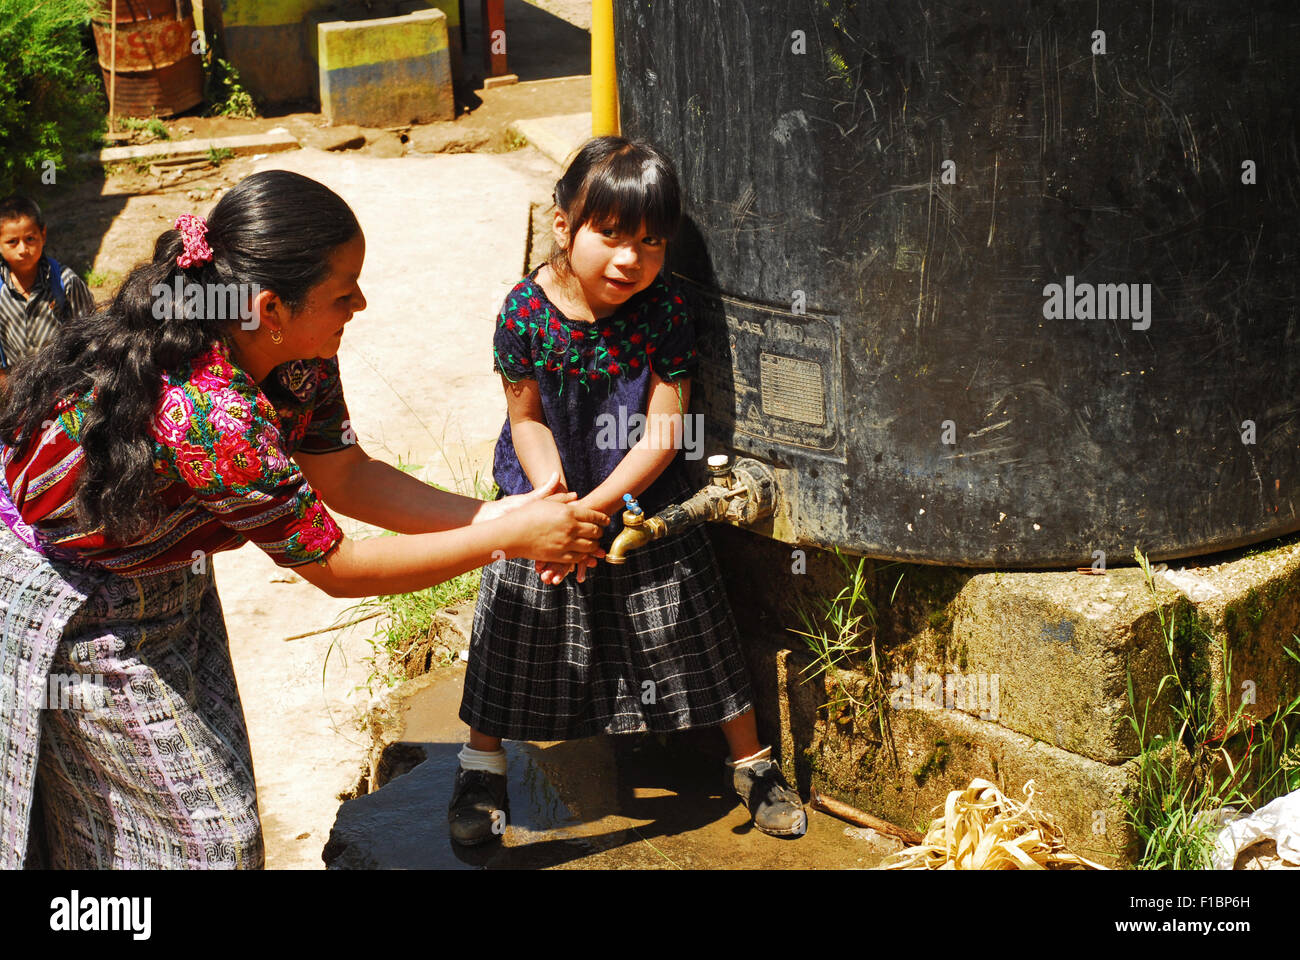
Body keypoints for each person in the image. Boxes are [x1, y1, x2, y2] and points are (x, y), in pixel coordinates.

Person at [0, 169, 608, 869]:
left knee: (142, 830)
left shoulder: (295, 357)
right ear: (270, 306)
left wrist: (503, 514)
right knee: (203, 840)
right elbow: (335, 568)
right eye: (343, 291)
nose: (362, 301)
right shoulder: (208, 411)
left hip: (166, 579)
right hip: (75, 607)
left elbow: (346, 475)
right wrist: (506, 538)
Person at [452, 136, 806, 845]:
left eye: (649, 241)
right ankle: (479, 766)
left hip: (640, 496)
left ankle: (753, 765)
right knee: (516, 622)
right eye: (608, 234)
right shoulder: (522, 313)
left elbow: (663, 431)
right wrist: (552, 499)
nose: (629, 258)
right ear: (563, 227)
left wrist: (598, 507)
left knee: (691, 620)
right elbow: (525, 419)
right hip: (542, 491)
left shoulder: (666, 310)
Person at [0, 195, 95, 380]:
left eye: (30, 239)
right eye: (12, 242)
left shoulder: (65, 282)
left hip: (61, 384)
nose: (22, 249)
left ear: (43, 235)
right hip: (15, 388)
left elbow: (88, 332)